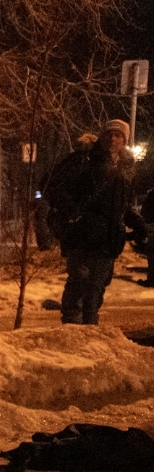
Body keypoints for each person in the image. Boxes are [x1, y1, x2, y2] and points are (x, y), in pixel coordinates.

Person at [45, 120, 143, 324]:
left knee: (96, 288)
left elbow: (124, 204)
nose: (113, 139)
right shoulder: (84, 160)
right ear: (102, 136)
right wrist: (74, 211)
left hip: (108, 239)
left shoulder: (127, 167)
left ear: (125, 140)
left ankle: (90, 331)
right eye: (110, 134)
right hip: (83, 235)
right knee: (79, 282)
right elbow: (52, 187)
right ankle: (72, 330)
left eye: (119, 136)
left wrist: (136, 222)